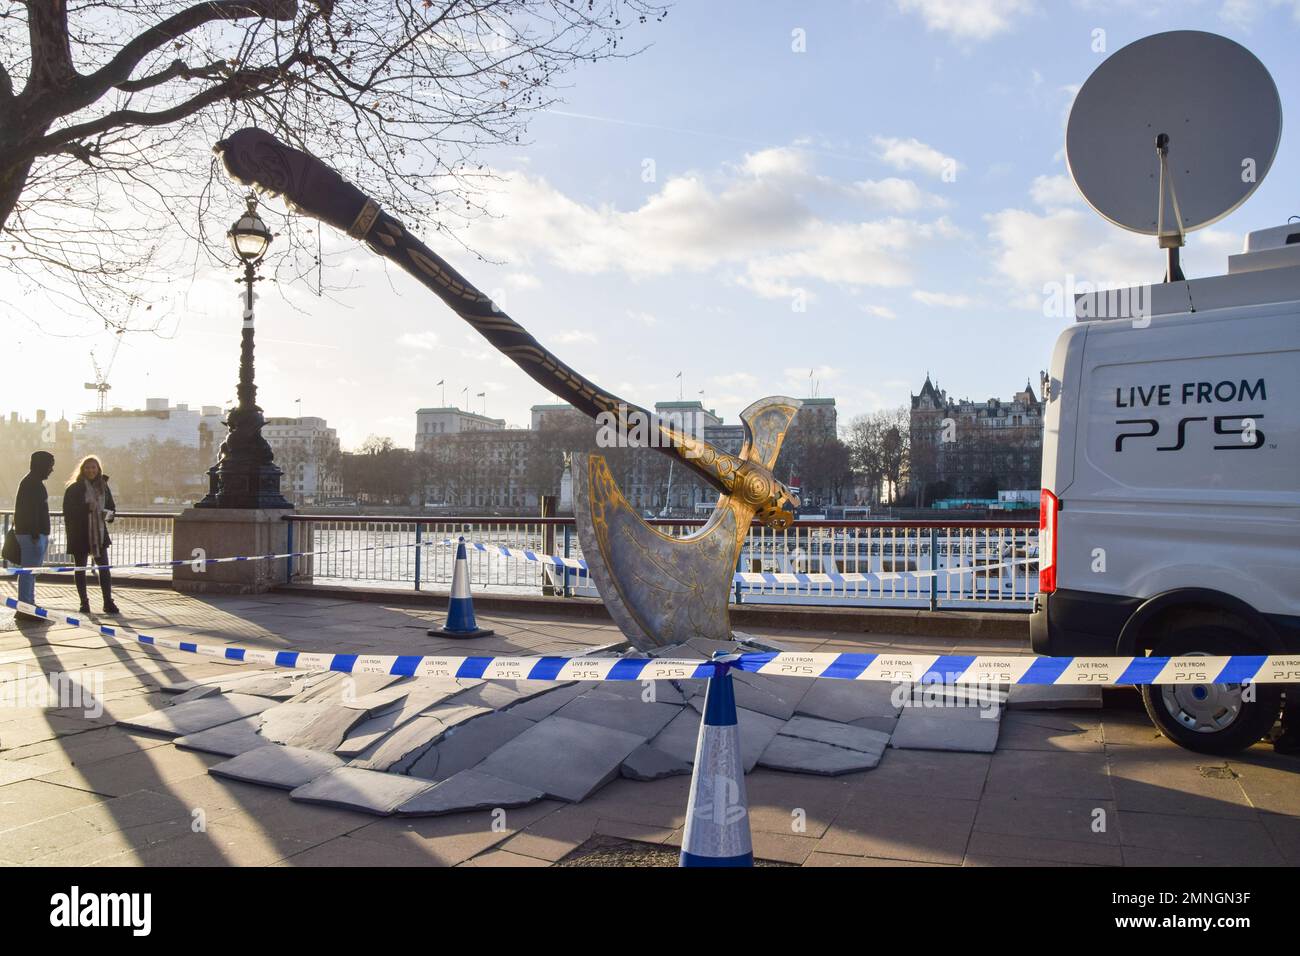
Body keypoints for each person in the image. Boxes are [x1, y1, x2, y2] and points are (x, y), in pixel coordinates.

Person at [62, 455, 119, 615]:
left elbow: (112, 510)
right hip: (80, 534)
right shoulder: (73, 488)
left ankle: (108, 602)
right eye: (87, 467)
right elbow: (68, 512)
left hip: (99, 535)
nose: (91, 470)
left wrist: (105, 515)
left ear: (98, 469)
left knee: (104, 568)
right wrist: (88, 509)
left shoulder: (104, 487)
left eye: (93, 467)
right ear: (82, 469)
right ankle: (84, 603)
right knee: (80, 568)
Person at [13, 450, 54, 617]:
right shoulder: (33, 483)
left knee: (30, 572)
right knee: (29, 572)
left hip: (32, 534)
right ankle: (25, 607)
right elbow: (30, 511)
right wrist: (36, 533)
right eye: (50, 465)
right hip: (32, 535)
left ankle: (28, 603)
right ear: (42, 465)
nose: (52, 469)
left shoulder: (31, 481)